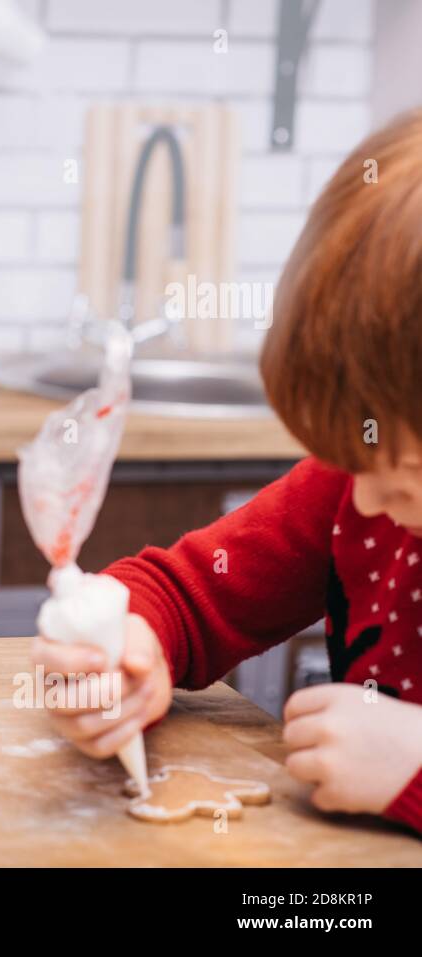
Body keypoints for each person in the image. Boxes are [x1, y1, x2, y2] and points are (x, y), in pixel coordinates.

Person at [32, 111, 422, 835]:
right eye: (353, 461)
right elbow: (184, 591)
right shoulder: (353, 488)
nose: (364, 497)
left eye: (402, 476)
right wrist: (134, 646)